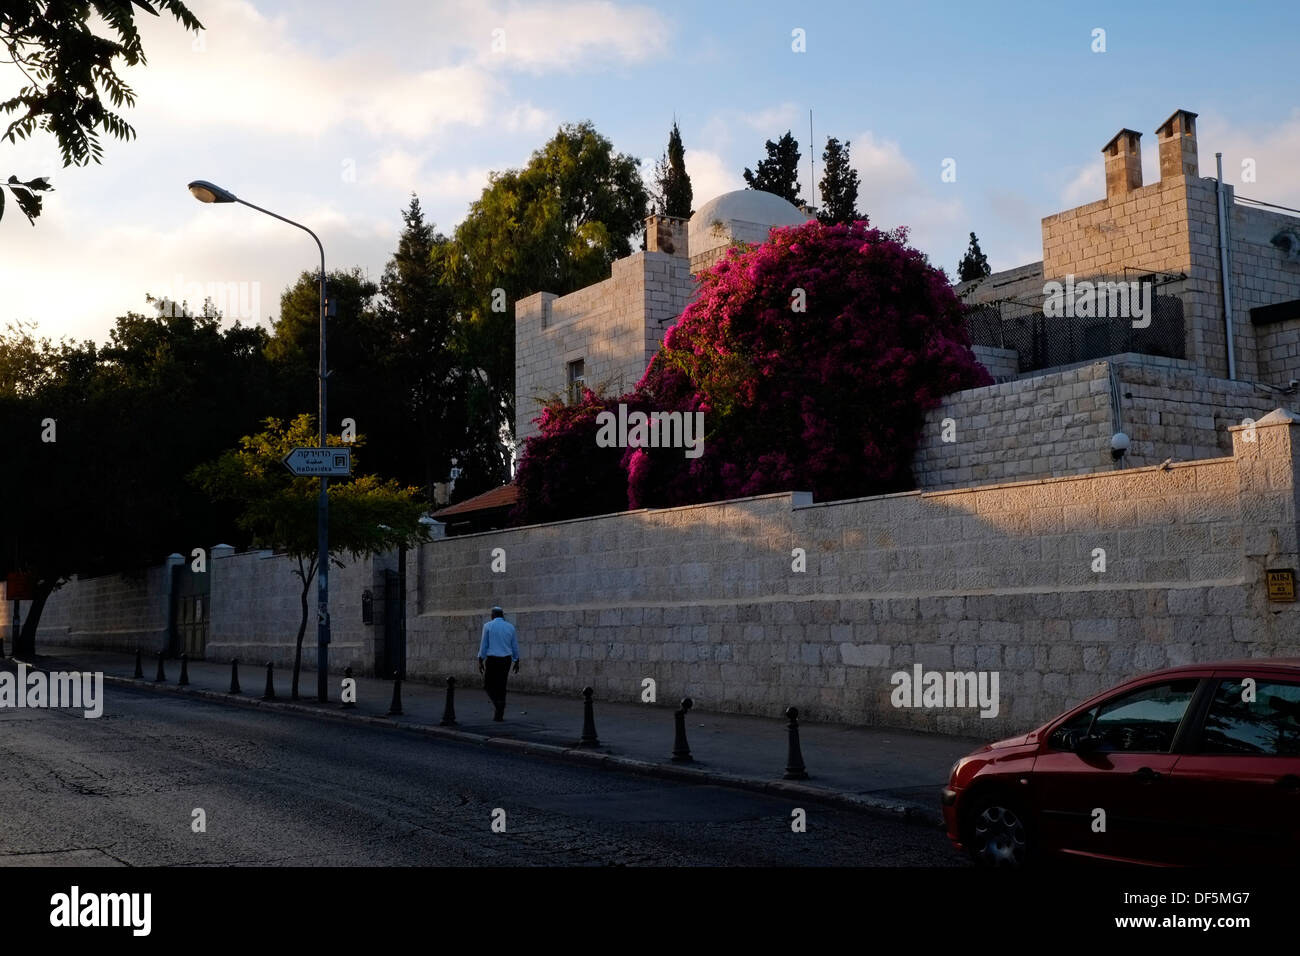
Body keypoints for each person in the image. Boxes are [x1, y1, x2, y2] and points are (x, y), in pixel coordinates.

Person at [477, 606, 520, 721]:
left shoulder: (488, 626)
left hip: (492, 660)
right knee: (502, 685)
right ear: (502, 615)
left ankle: (497, 704)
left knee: (488, 685)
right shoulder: (510, 627)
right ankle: (499, 714)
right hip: (506, 660)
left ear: (493, 615)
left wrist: (480, 660)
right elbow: (514, 645)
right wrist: (516, 660)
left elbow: (484, 645)